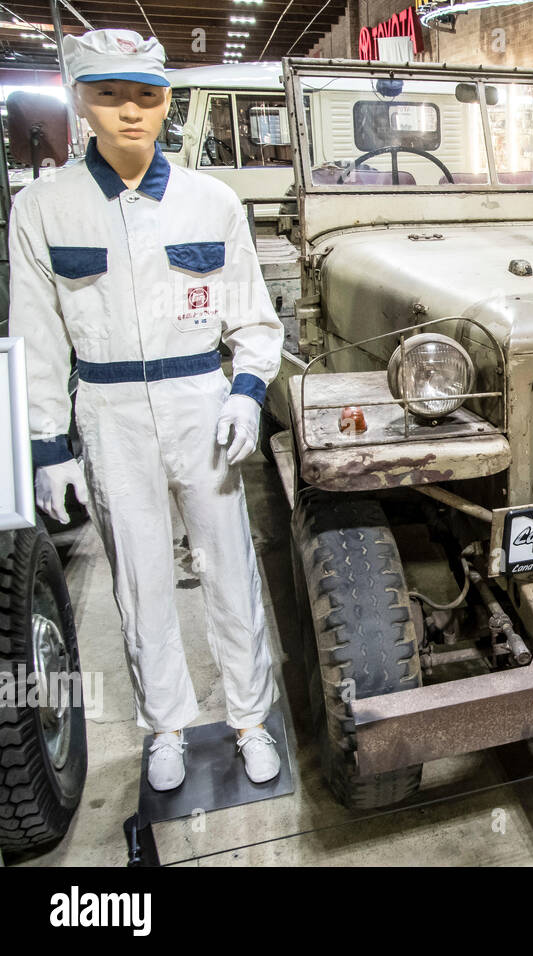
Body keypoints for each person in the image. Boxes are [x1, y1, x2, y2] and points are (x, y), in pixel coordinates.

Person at [10, 30, 285, 790]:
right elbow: (36, 333)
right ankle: (166, 726)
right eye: (108, 94)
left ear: (167, 101)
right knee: (140, 577)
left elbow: (255, 321)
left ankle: (250, 718)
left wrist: (246, 390)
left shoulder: (212, 201)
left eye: (146, 94)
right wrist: (47, 444)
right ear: (80, 100)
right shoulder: (45, 210)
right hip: (109, 407)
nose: (129, 110)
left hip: (200, 397)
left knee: (229, 565)